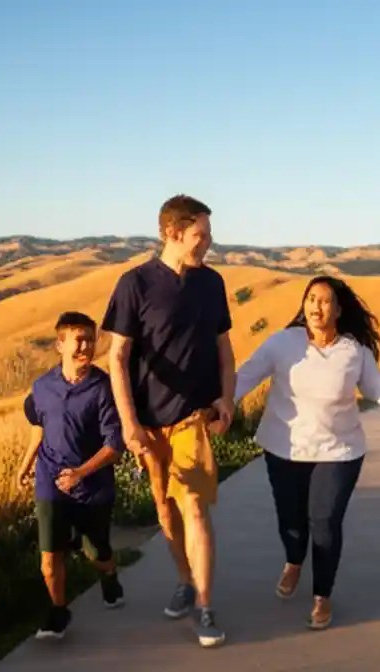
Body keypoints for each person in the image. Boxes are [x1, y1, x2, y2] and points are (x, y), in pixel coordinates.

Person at [234, 276, 380, 631]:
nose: (316, 306)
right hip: (284, 448)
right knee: (292, 522)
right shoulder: (284, 343)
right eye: (311, 299)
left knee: (325, 521)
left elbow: (378, 387)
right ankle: (294, 561)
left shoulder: (353, 350)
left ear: (339, 309)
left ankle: (322, 595)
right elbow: (247, 375)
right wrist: (222, 405)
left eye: (325, 300)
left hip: (339, 451)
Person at [102, 194, 235, 649]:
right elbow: (116, 357)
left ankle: (204, 605)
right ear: (172, 233)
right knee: (165, 509)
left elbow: (224, 350)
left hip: (192, 419)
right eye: (200, 235)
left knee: (194, 506)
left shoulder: (211, 284)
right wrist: (128, 422)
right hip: (148, 422)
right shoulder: (134, 284)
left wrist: (228, 400)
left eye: (208, 235)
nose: (208, 244)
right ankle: (184, 577)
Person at [15, 311, 126, 640]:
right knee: (50, 555)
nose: (86, 347)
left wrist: (80, 473)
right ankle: (58, 612)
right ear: (59, 345)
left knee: (97, 552)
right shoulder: (42, 387)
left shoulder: (103, 388)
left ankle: (108, 576)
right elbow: (40, 427)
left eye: (91, 340)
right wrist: (25, 464)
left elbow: (115, 446)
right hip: (50, 480)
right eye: (79, 340)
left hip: (93, 485)